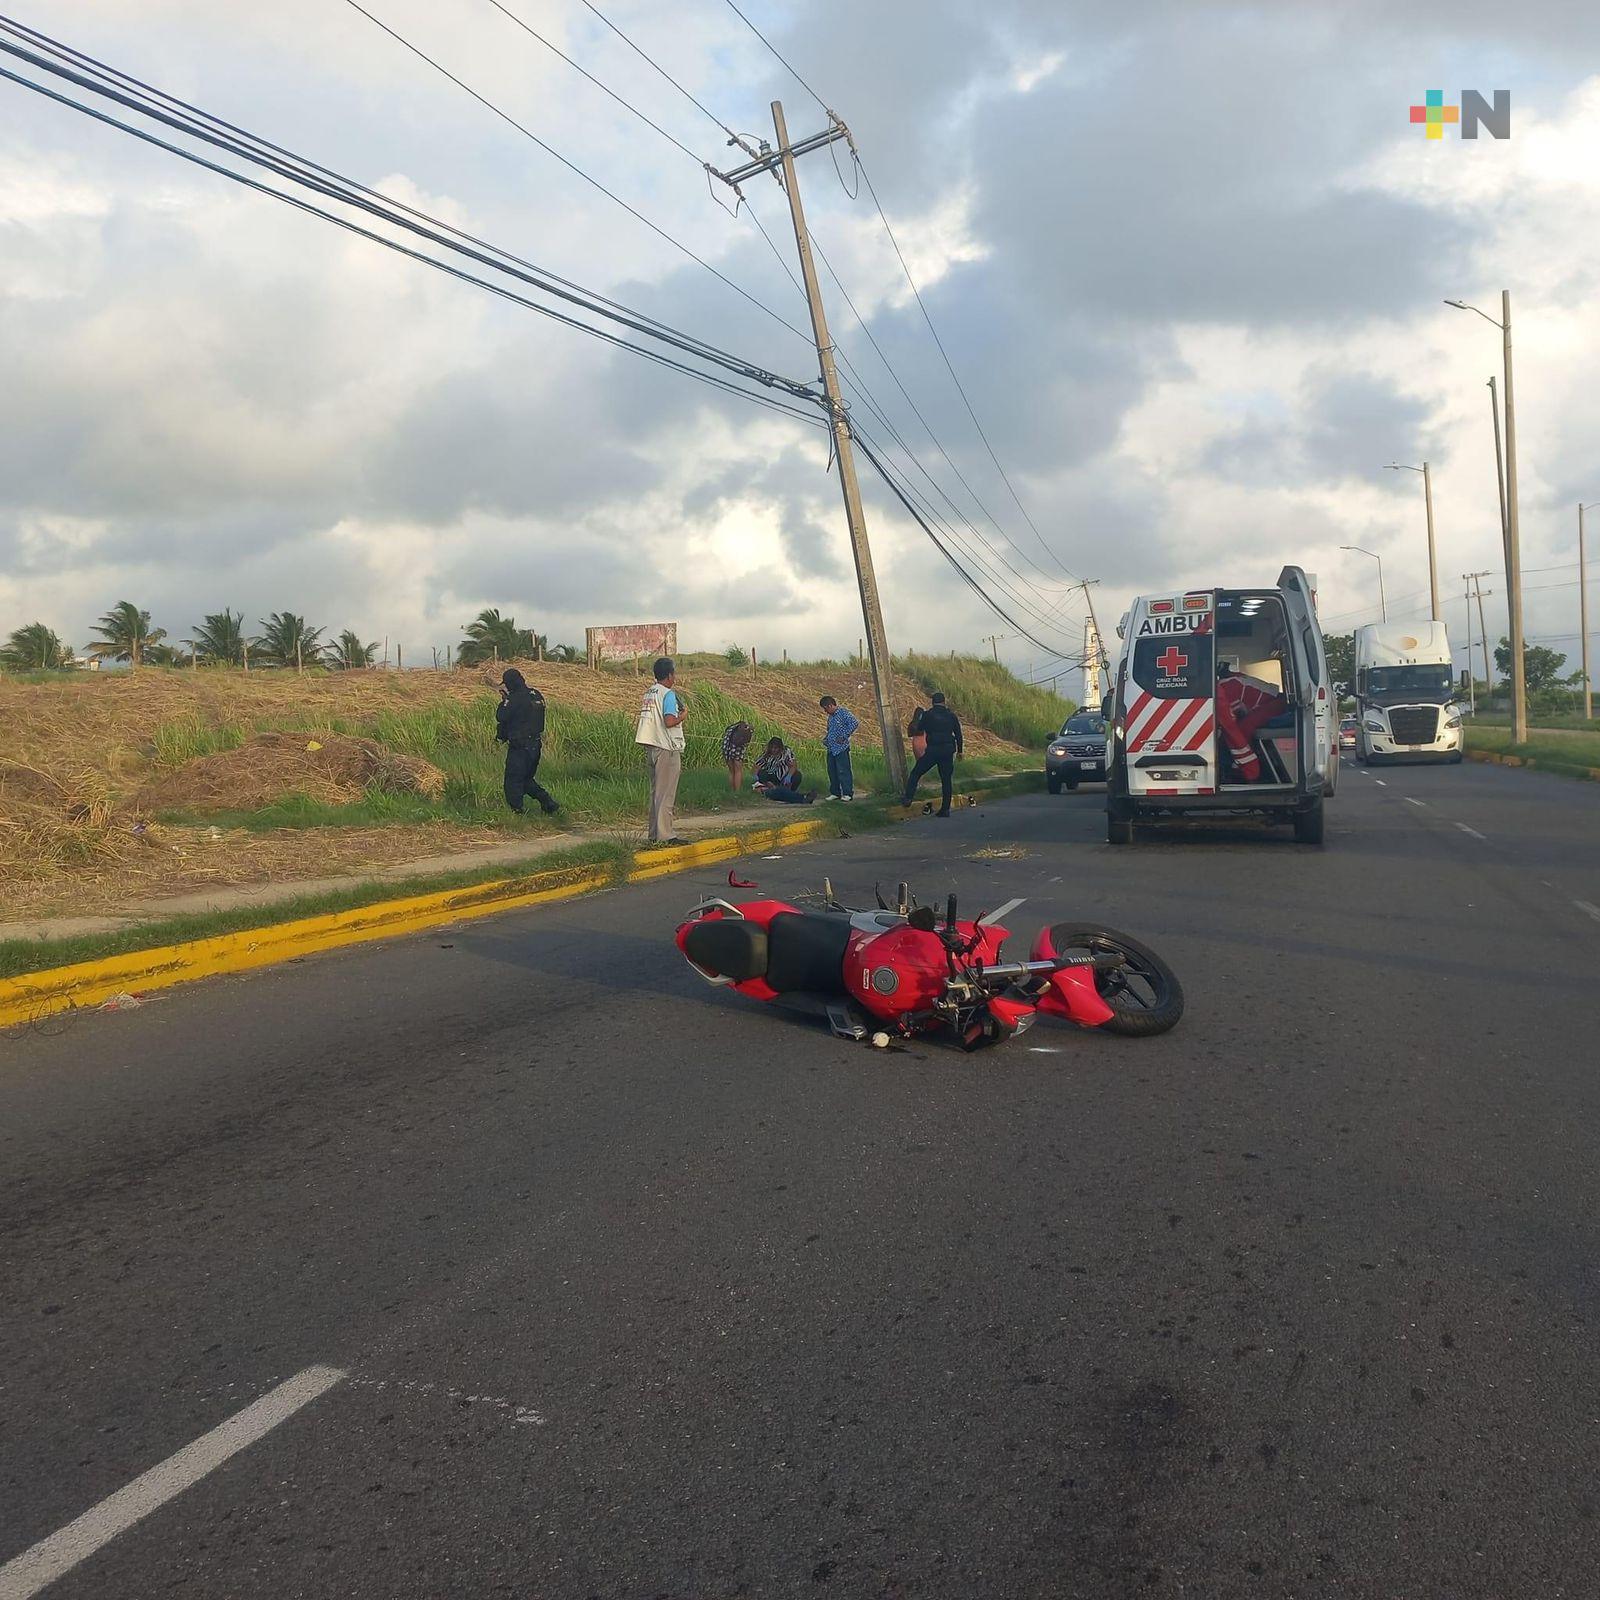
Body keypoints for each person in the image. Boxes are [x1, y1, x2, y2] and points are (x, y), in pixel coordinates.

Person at [634, 656, 686, 844]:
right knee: (666, 794)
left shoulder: (650, 692)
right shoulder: (668, 694)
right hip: (666, 748)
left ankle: (654, 834)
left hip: (652, 746)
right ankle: (666, 835)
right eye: (674, 673)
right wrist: (683, 716)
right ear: (670, 675)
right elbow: (669, 721)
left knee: (656, 793)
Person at [495, 667, 559, 816]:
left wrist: (504, 701)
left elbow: (501, 716)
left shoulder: (514, 698)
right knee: (526, 779)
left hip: (520, 746)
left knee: (513, 780)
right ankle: (548, 803)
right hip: (535, 745)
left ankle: (517, 812)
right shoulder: (536, 694)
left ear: (510, 683)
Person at [1215, 660, 1288, 783]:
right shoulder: (1230, 681)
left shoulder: (1226, 688)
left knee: (1244, 727)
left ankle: (1244, 770)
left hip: (1275, 702)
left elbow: (1230, 723)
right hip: (1270, 700)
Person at [902, 691, 963, 815]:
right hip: (947, 750)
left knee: (916, 773)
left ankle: (908, 798)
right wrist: (960, 751)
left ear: (933, 702)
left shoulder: (928, 715)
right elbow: (958, 734)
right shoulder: (951, 716)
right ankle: (945, 810)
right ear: (944, 702)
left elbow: (919, 728)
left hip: (933, 750)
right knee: (946, 779)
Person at [818, 695, 859, 801]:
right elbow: (830, 730)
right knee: (832, 771)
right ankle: (835, 792)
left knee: (843, 771)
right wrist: (826, 739)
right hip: (831, 748)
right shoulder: (831, 717)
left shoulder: (843, 713)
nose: (825, 711)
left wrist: (844, 736)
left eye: (826, 708)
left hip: (841, 748)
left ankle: (847, 793)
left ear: (830, 705)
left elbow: (854, 723)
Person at [751, 737, 815, 804]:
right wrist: (766, 784)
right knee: (781, 792)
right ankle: (803, 798)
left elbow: (793, 764)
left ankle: (802, 798)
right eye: (772, 748)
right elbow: (757, 766)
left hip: (779, 780)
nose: (773, 750)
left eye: (775, 748)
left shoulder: (786, 751)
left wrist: (789, 776)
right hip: (770, 785)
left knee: (783, 791)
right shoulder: (766, 755)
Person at [721, 720, 754, 792]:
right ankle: (737, 791)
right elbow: (745, 741)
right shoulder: (746, 729)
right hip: (737, 748)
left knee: (731, 771)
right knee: (738, 770)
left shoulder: (732, 728)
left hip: (726, 747)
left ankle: (732, 790)